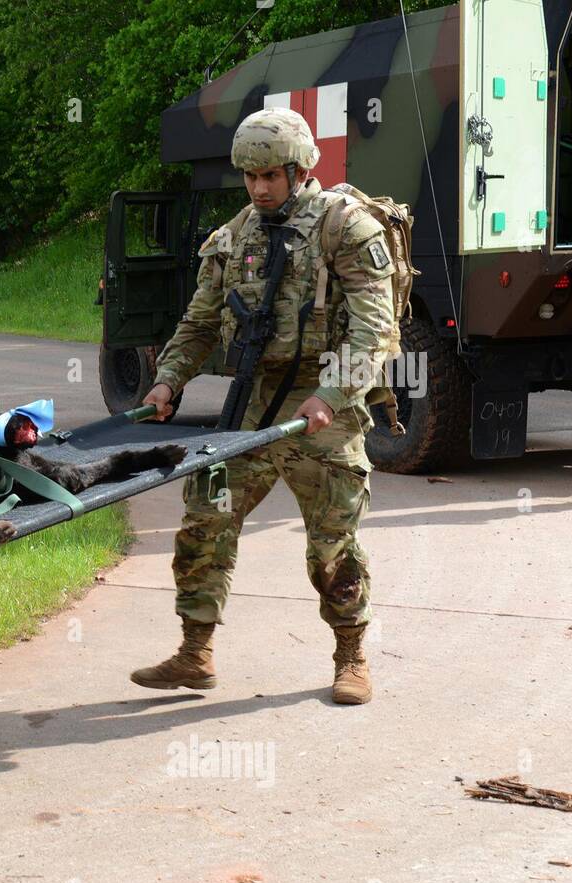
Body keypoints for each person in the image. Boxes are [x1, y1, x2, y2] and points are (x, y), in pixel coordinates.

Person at [131, 108, 395, 705]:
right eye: (249, 177)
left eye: (270, 175)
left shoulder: (346, 229)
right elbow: (199, 323)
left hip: (325, 401)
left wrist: (331, 394)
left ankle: (351, 654)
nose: (258, 187)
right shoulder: (234, 237)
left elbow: (374, 330)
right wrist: (167, 381)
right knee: (205, 520)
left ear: (300, 171)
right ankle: (195, 653)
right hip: (252, 404)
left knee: (332, 543)